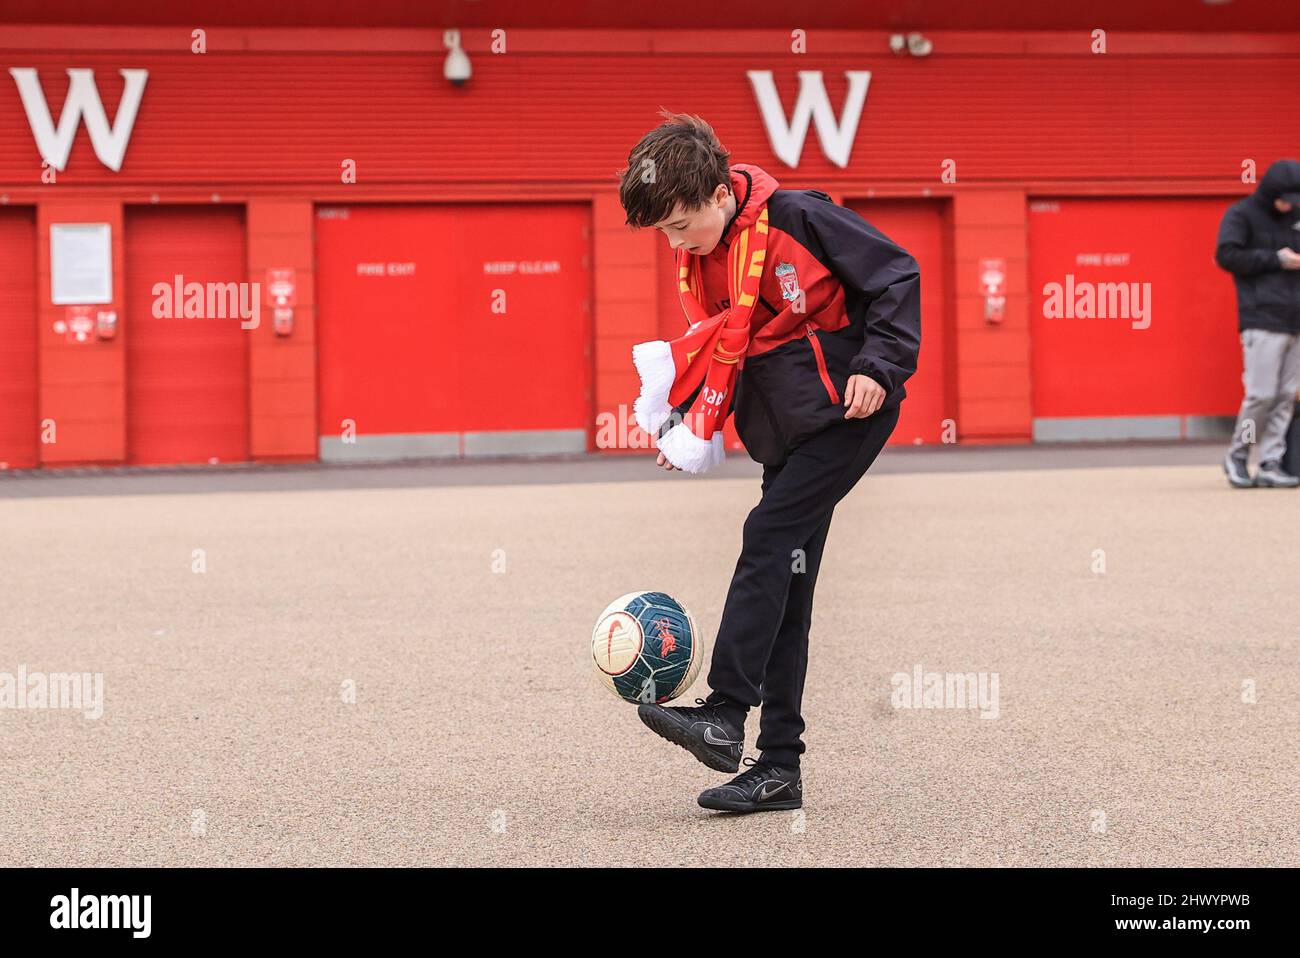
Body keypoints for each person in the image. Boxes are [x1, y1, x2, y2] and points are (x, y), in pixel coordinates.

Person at [618, 111, 920, 813]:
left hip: (848, 413)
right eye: (663, 231)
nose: (676, 241)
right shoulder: (704, 255)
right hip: (785, 431)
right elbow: (714, 349)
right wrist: (682, 424)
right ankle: (778, 767)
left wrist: (878, 365)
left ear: (722, 193)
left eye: (682, 223)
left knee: (766, 537)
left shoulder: (798, 216)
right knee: (789, 586)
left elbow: (895, 273)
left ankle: (723, 712)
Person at [1216, 158, 1300, 488]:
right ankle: (1238, 455)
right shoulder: (1242, 215)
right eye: (1286, 200)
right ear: (1270, 193)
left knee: (1285, 396)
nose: (1290, 206)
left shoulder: (1296, 214)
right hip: (1261, 318)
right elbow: (1226, 255)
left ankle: (1270, 461)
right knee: (1261, 396)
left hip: (1295, 319)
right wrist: (1274, 259)